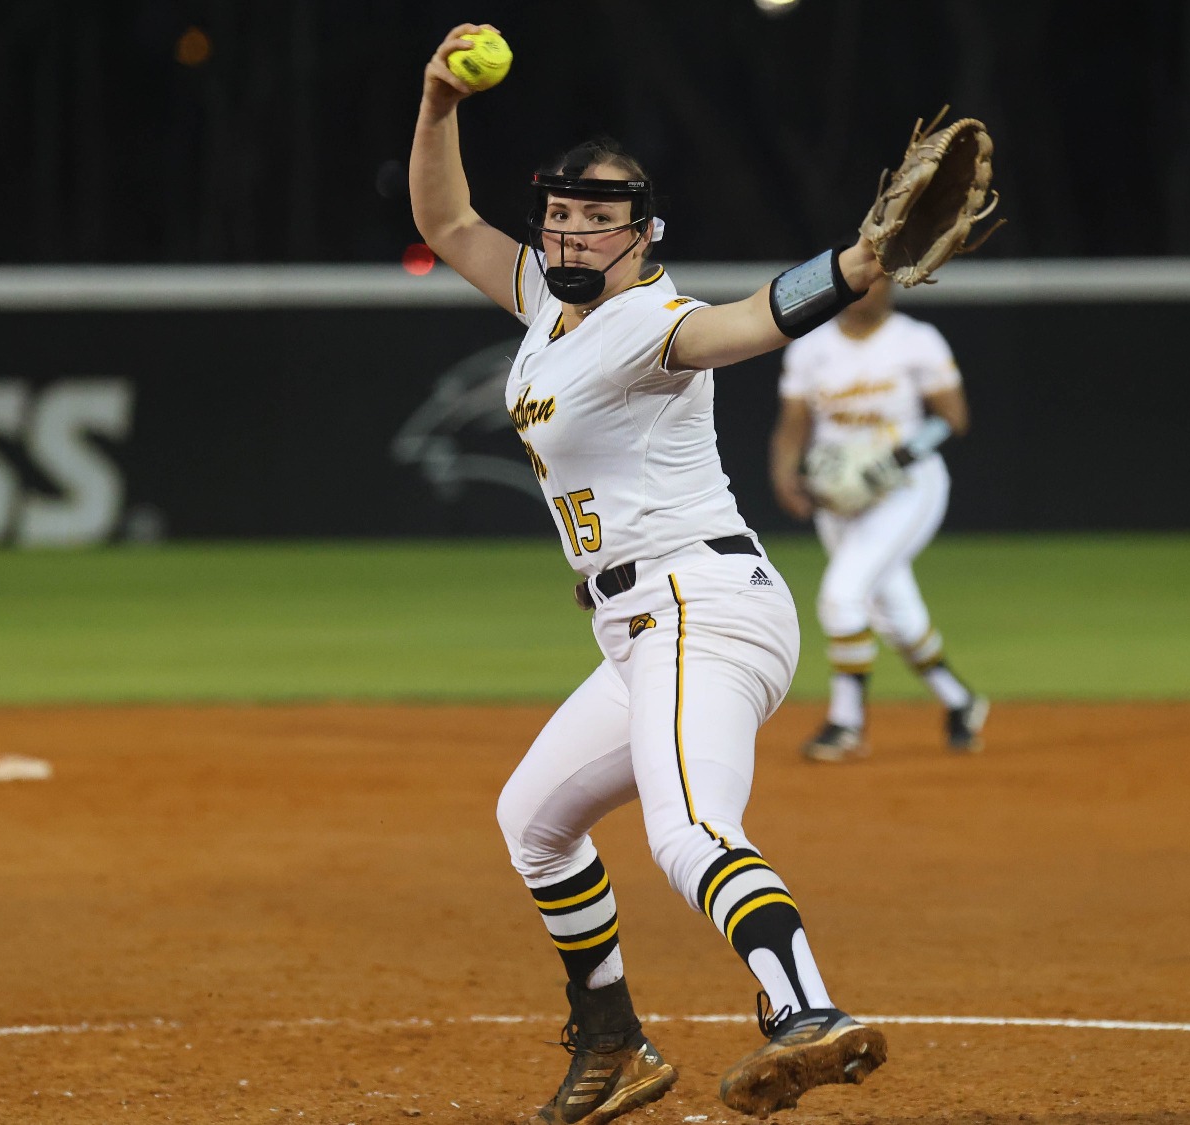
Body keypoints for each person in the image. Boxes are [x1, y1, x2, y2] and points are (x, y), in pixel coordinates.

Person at [411, 23, 895, 1125]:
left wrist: (851, 268)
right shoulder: (547, 306)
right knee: (534, 822)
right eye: (560, 214)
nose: (572, 231)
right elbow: (445, 222)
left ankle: (807, 1011)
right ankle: (612, 1044)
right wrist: (438, 102)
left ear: (641, 234)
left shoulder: (647, 320)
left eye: (598, 217)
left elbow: (746, 323)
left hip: (698, 604)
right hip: (637, 626)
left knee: (688, 830)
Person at [769, 278, 989, 763]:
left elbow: (953, 417)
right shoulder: (811, 347)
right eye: (857, 281)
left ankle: (846, 722)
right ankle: (960, 700)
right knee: (892, 612)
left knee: (842, 595)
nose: (865, 290)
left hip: (906, 488)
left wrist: (898, 459)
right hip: (838, 498)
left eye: (874, 281)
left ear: (890, 286)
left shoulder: (916, 340)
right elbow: (794, 423)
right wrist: (784, 475)